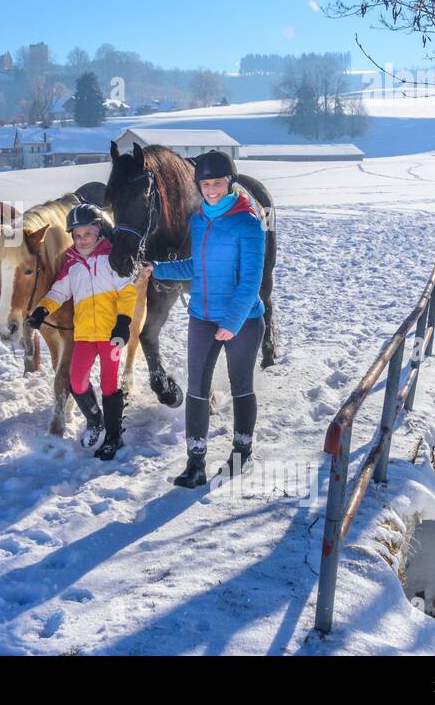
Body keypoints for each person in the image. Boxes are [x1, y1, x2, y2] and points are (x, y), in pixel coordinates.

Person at [141, 150, 266, 488]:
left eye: (218, 183)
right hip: (202, 317)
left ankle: (241, 454)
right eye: (206, 184)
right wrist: (158, 269)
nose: (211, 189)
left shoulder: (248, 222)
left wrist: (232, 322)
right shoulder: (198, 221)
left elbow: (251, 281)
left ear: (230, 182)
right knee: (197, 389)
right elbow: (196, 267)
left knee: (241, 387)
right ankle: (195, 463)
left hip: (242, 320)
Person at [26, 203, 137, 461]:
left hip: (111, 335)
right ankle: (95, 420)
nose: (81, 239)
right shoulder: (71, 261)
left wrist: (123, 323)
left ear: (99, 231)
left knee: (109, 385)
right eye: (76, 235)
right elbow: (59, 291)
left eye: (87, 234)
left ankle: (113, 437)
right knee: (77, 381)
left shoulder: (111, 257)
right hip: (84, 335)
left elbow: (127, 292)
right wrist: (42, 310)